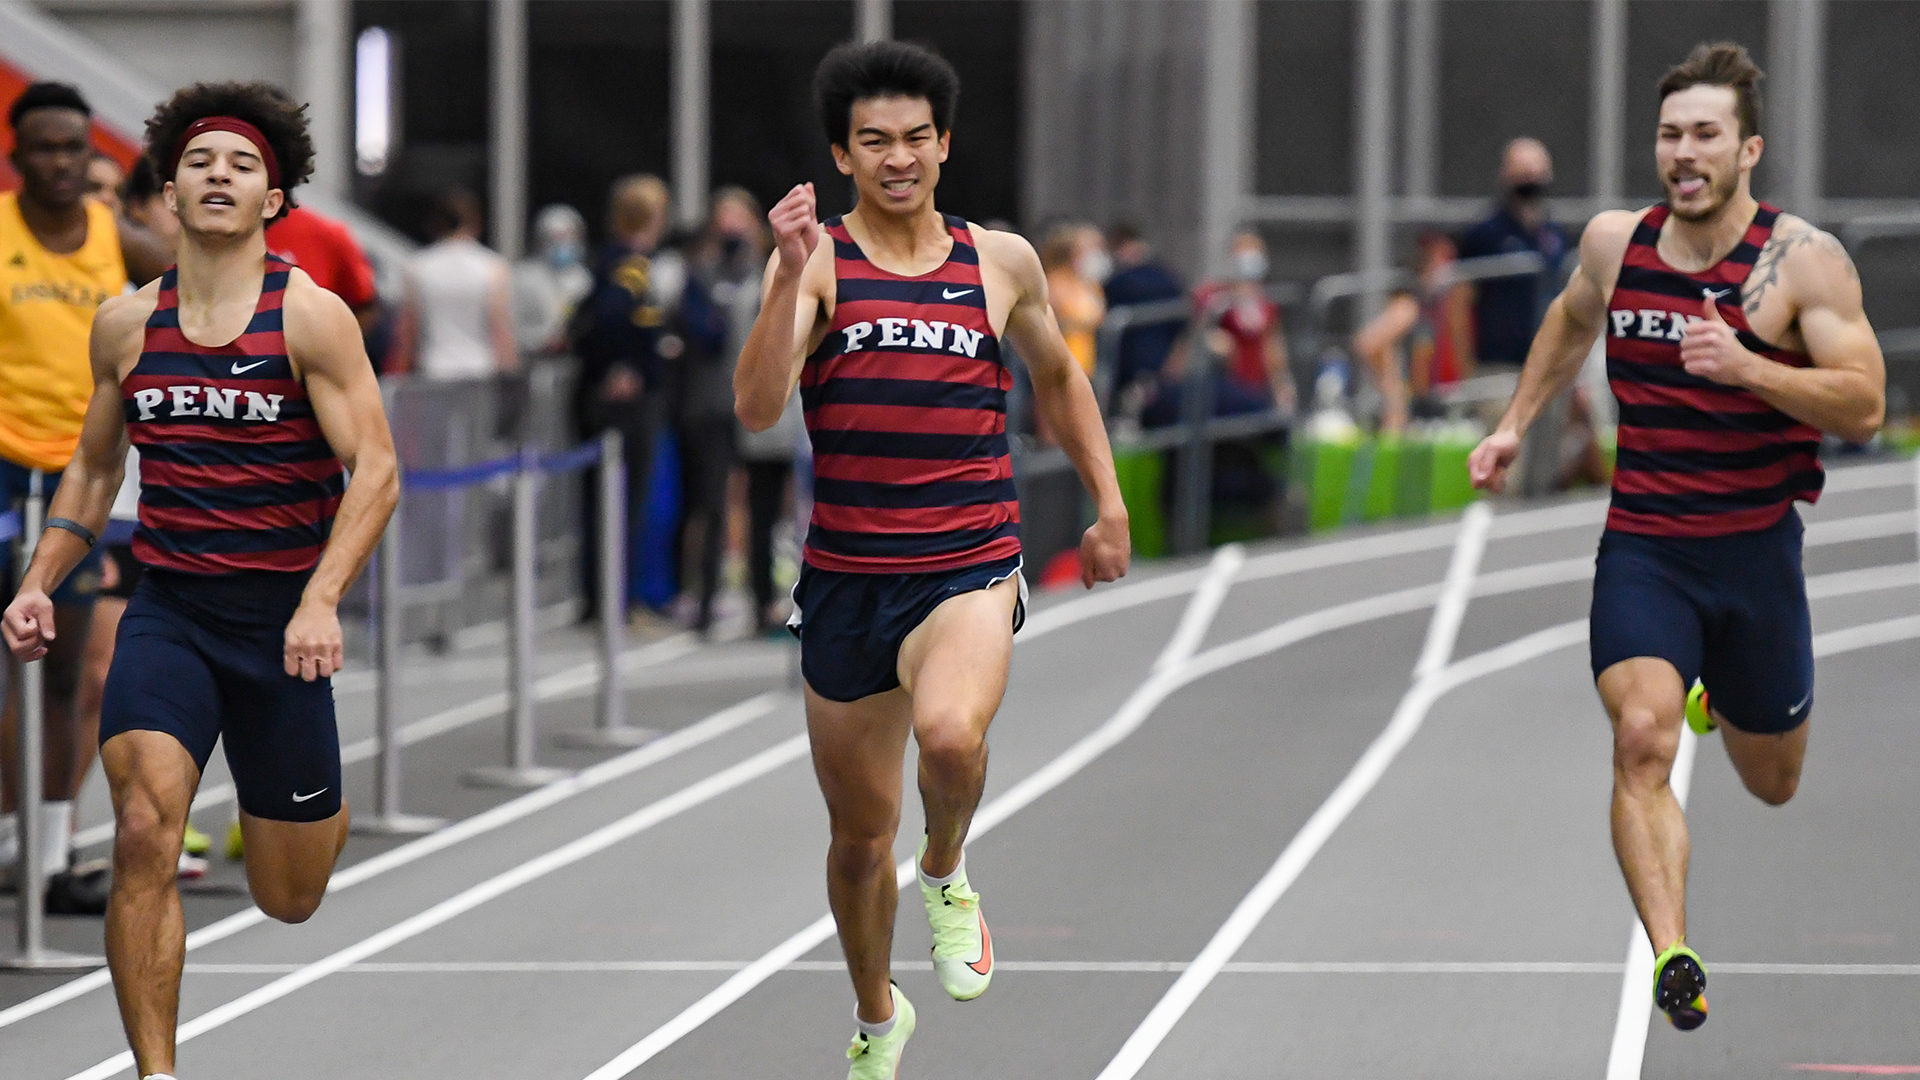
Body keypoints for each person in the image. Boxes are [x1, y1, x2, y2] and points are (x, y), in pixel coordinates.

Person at [1468, 42, 1884, 1033]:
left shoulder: (1802, 263)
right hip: (1648, 547)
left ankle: (1716, 690)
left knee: (1773, 782)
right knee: (1641, 739)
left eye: (1705, 135)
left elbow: (1865, 404)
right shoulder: (1618, 243)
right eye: (1669, 135)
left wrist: (1750, 369)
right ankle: (1673, 954)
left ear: (1748, 151)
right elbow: (1571, 322)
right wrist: (1517, 422)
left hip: (1755, 558)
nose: (1683, 152)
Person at [735, 41, 1130, 1077]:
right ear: (842, 154)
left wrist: (1109, 504)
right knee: (861, 843)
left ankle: (948, 873)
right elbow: (759, 406)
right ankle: (877, 1018)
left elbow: (1060, 379)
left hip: (968, 561)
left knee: (951, 739)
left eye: (916, 137)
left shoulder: (1000, 262)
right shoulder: (820, 265)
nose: (898, 156)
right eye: (875, 141)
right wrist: (782, 277)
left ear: (945, 145)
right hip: (847, 581)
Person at [2, 80, 399, 1080]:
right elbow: (95, 467)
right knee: (142, 827)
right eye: (199, 163)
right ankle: (158, 1073)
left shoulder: (309, 318)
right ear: (167, 191)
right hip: (170, 613)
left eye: (243, 165)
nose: (219, 176)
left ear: (274, 198)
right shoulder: (126, 325)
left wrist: (319, 599)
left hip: (279, 625)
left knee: (290, 893)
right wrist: (43, 575)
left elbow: (379, 471)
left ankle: (300, 808)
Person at [0, 81, 169, 913]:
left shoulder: (118, 240)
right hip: (1, 470)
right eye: (45, 148)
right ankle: (9, 839)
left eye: (75, 147)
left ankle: (52, 853)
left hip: (77, 479)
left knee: (63, 672)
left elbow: (196, 295)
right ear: (17, 157)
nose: (61, 162)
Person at [573, 174, 679, 619]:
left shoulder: (605, 261)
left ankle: (605, 596)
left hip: (602, 392)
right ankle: (616, 598)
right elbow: (617, 317)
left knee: (606, 499)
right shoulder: (631, 265)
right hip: (623, 398)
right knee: (623, 499)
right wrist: (627, 365)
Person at [675, 187, 761, 635]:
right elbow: (700, 333)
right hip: (710, 403)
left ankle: (764, 596)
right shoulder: (700, 276)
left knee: (763, 501)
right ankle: (703, 597)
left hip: (761, 404)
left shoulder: (769, 273)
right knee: (708, 502)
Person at [1458, 136, 1571, 370]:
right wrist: (1464, 363)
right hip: (1498, 363)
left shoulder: (1554, 233)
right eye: (1522, 172)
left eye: (1535, 172)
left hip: (1548, 361)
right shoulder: (1486, 233)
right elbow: (1459, 301)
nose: (1530, 181)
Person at [1351, 229, 1475, 433]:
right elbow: (1368, 342)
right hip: (1413, 409)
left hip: (1437, 400)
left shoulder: (1441, 303)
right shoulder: (1410, 305)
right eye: (1443, 260)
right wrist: (1392, 391)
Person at [392, 189, 516, 383]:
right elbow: (499, 327)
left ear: (437, 223)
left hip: (434, 370)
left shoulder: (417, 267)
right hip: (480, 370)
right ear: (476, 222)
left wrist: (399, 374)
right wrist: (510, 373)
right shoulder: (493, 267)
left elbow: (408, 331)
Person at [1100, 220, 1186, 419]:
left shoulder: (1119, 282)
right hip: (1162, 364)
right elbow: (1183, 323)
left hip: (1128, 365)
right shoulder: (1168, 277)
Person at [511, 203, 592, 356]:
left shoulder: (584, 280)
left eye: (570, 236)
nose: (565, 244)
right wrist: (541, 342)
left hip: (574, 363)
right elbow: (513, 326)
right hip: (534, 364)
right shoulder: (524, 277)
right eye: (558, 237)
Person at [1038, 222, 1106, 376]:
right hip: (1058, 369)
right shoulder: (1053, 284)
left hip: (1087, 365)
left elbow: (1099, 317)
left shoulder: (1089, 285)